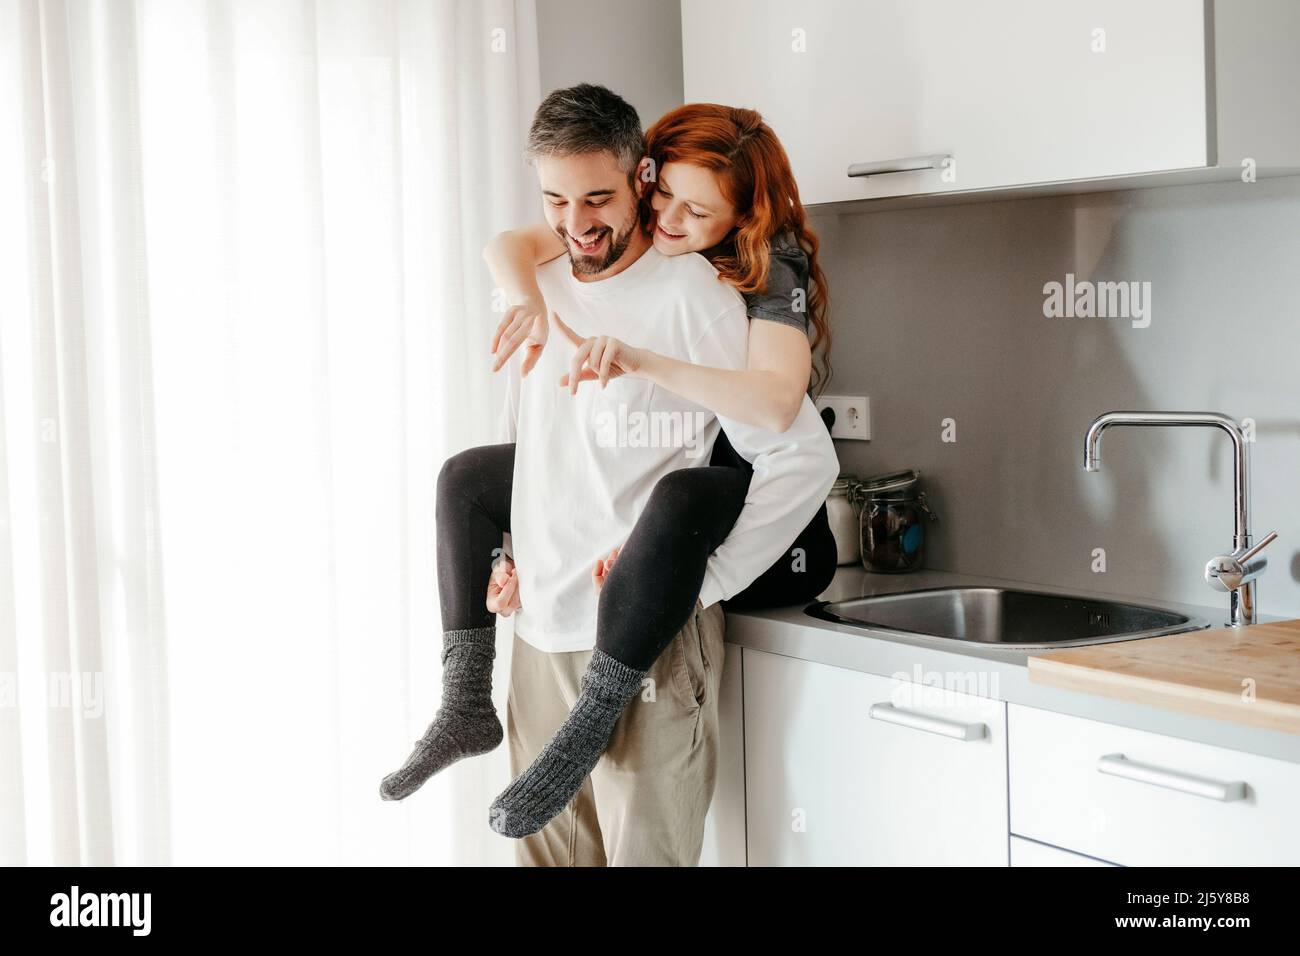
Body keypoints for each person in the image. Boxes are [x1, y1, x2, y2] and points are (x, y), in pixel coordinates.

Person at [381, 85, 838, 865]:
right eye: (556, 200)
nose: (578, 222)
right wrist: (505, 555)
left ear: (641, 178)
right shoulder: (545, 282)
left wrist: (709, 580)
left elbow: (799, 456)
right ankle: (465, 699)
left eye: (599, 197)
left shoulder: (700, 294)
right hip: (541, 637)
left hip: (650, 637)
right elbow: (527, 438)